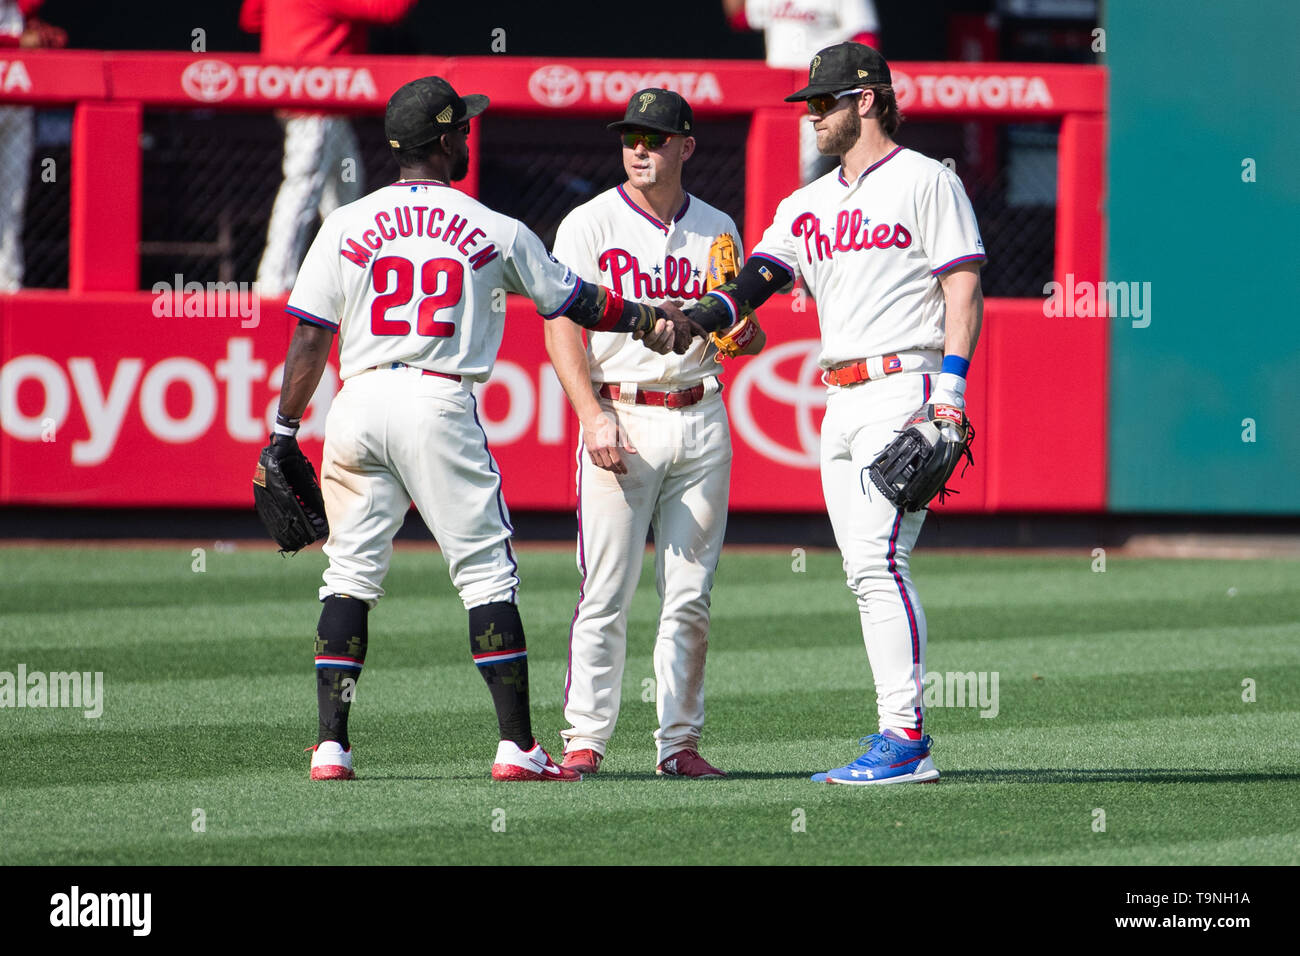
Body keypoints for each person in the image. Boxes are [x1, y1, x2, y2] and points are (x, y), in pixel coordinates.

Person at [267, 75, 692, 783]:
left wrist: (283, 431)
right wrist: (648, 319)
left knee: (347, 576)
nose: (467, 135)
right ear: (442, 141)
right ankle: (517, 746)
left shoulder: (347, 224)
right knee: (487, 575)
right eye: (459, 127)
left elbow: (310, 337)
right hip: (437, 400)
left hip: (359, 398)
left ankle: (331, 747)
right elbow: (575, 300)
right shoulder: (493, 227)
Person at [680, 42, 986, 784]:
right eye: (810, 104)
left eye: (825, 103)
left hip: (902, 385)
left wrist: (949, 391)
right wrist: (693, 315)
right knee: (862, 570)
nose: (813, 116)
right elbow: (757, 277)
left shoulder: (924, 182)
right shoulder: (805, 200)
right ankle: (898, 735)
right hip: (839, 398)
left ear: (869, 100)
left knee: (881, 561)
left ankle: (905, 739)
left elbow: (963, 287)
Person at [546, 89, 765, 779]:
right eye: (630, 137)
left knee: (691, 594)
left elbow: (741, 333)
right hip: (623, 410)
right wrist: (591, 415)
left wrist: (746, 333)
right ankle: (585, 738)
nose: (639, 148)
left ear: (685, 147)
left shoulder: (717, 225)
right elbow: (561, 327)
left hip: (701, 412)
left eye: (654, 137)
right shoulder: (589, 222)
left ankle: (679, 743)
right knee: (606, 589)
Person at [239, 0, 418, 295]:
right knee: (303, 186)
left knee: (343, 191)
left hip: (306, 97)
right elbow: (389, 9)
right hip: (313, 99)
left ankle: (350, 278)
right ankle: (274, 284)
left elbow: (252, 18)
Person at [722, 0, 880, 184]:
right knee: (769, 177)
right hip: (778, 102)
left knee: (796, 176)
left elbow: (865, 40)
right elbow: (740, 17)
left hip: (823, 98)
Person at [0, 0, 66, 291]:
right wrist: (15, 42)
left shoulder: (21, 10)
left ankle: (7, 282)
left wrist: (35, 41)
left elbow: (49, 40)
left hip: (17, 105)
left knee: (11, 200)